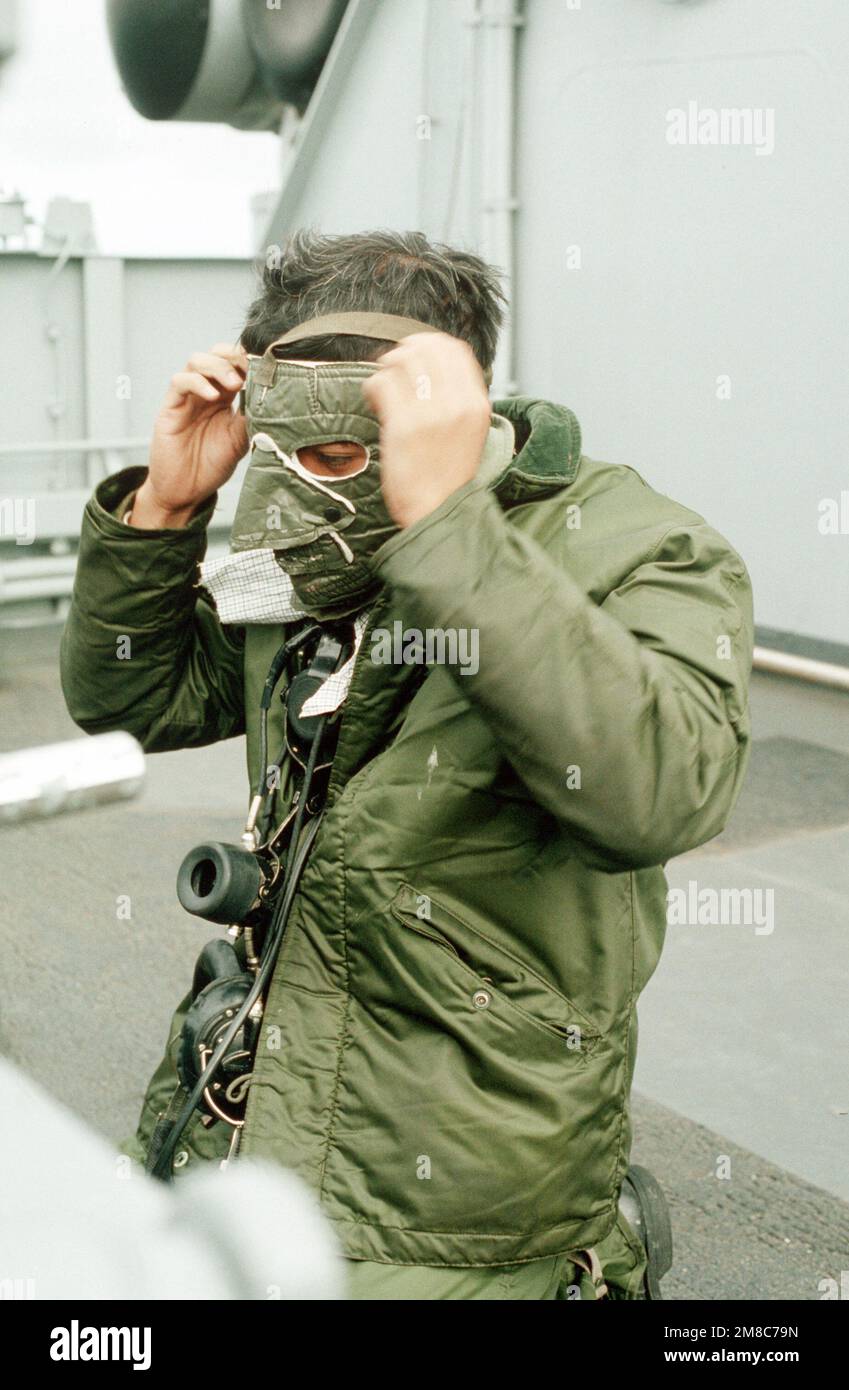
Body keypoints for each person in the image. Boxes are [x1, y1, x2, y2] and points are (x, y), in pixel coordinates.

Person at [60, 229, 753, 1300]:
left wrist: (446, 529)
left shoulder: (639, 544)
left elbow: (663, 785)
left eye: (341, 452)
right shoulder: (301, 557)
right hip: (246, 1096)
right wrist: (166, 509)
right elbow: (134, 696)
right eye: (285, 452)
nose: (308, 488)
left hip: (457, 1197)